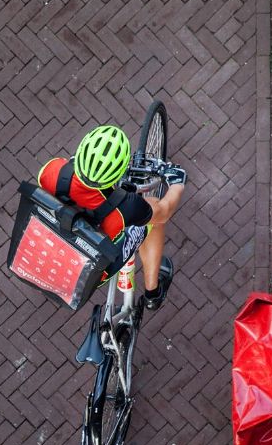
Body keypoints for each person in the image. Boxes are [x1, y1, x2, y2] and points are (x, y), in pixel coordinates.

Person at [38, 125, 185, 310]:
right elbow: (165, 211)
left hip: (51, 249)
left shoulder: (52, 170)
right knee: (154, 216)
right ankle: (152, 293)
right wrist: (177, 184)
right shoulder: (126, 206)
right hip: (90, 271)